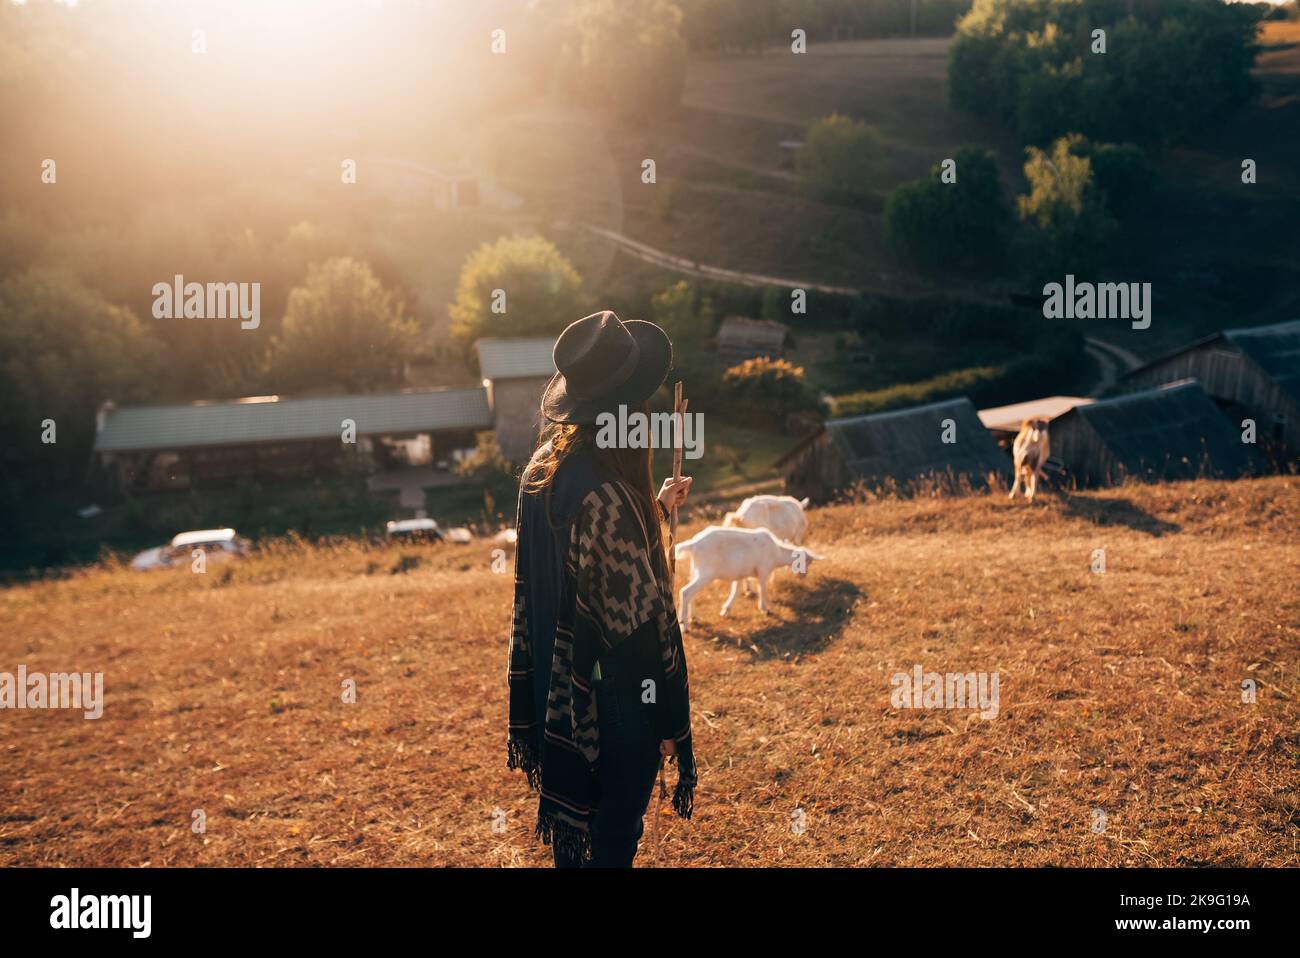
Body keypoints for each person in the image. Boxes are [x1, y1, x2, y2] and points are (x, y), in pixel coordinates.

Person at [506, 310, 696, 867]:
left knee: (578, 847)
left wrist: (653, 509)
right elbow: (635, 629)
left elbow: (583, 566)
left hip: (558, 693)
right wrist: (668, 721)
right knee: (613, 844)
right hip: (613, 704)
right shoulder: (608, 497)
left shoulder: (542, 472)